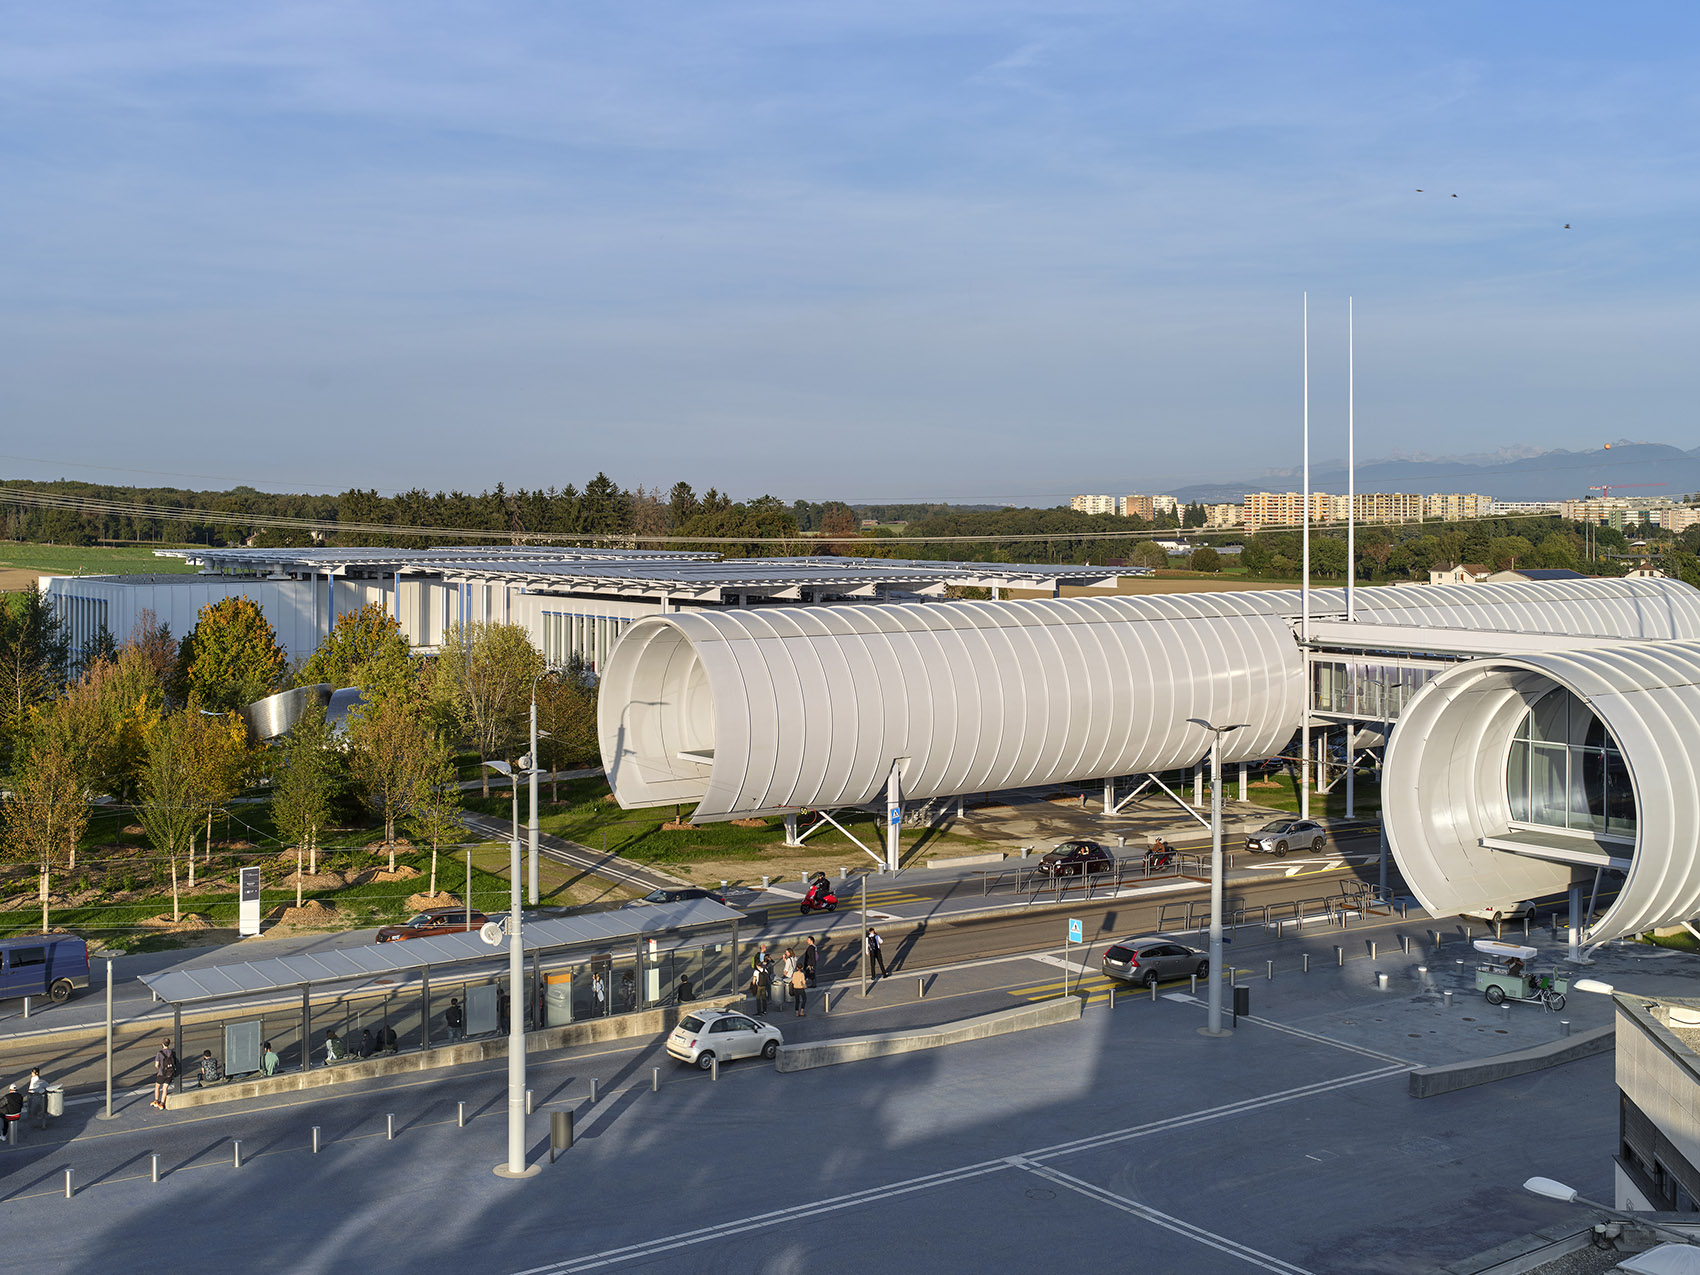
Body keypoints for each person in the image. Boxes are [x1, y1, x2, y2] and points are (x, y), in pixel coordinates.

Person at [151, 1038, 178, 1110]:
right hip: (169, 1073)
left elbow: (156, 1065)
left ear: (162, 1044)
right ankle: (162, 1103)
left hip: (162, 1073)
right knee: (165, 1088)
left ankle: (156, 1100)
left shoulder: (159, 1053)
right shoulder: (172, 1052)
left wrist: (159, 1069)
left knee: (157, 1086)